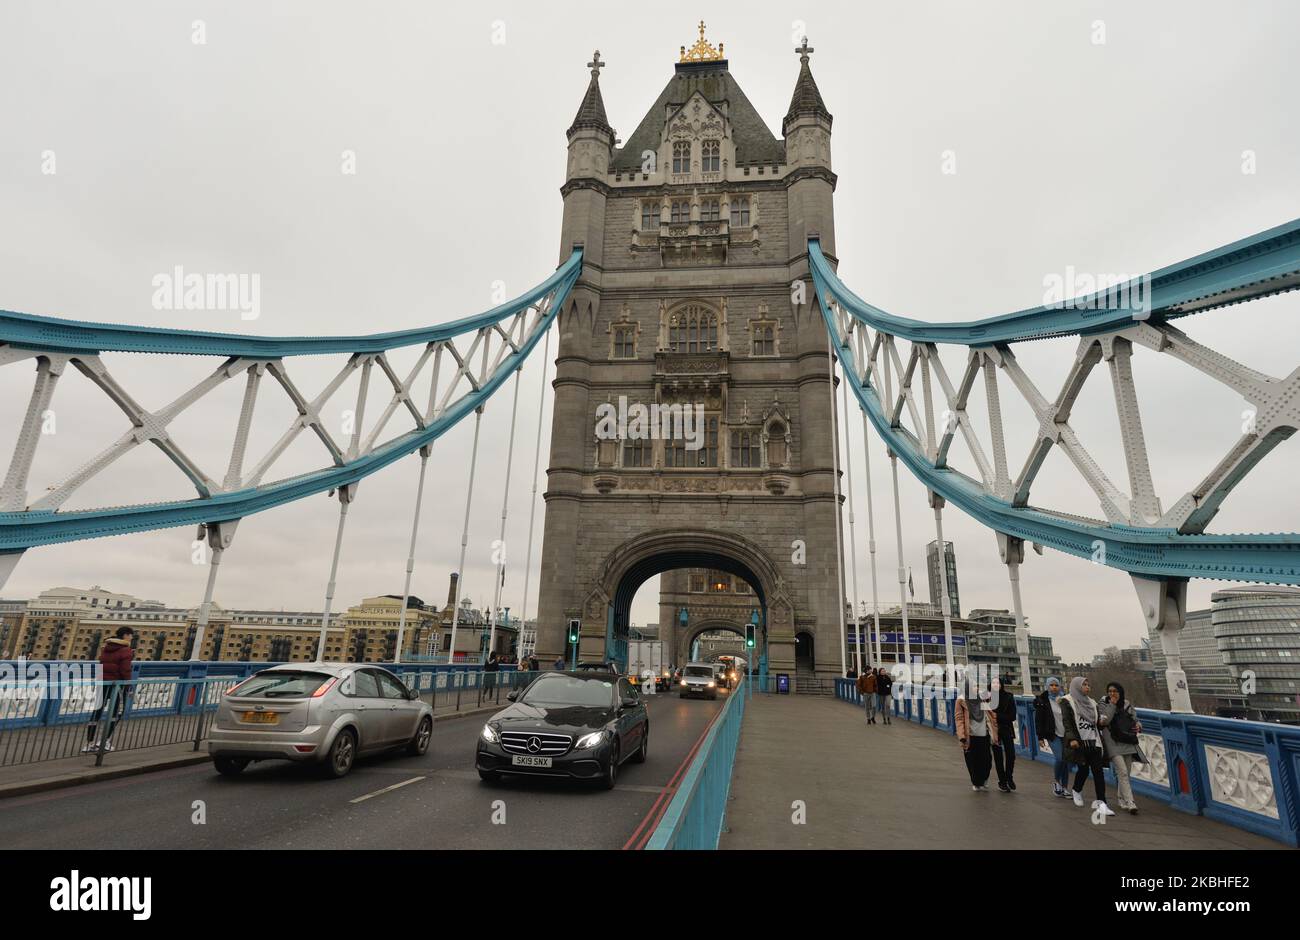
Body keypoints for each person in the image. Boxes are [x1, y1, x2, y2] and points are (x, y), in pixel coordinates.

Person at [1059, 676, 1115, 817]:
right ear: (1077, 686)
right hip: (1079, 741)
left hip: (1094, 741)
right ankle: (1077, 790)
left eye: (1088, 685)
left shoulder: (1092, 702)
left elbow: (1096, 723)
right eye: (1084, 685)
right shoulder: (1067, 701)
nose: (1087, 687)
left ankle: (1102, 804)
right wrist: (1072, 739)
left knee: (1098, 773)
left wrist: (1102, 721)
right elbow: (1067, 722)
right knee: (1083, 770)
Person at [84, 626, 134, 753]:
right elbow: (125, 670)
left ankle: (88, 743)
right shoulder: (126, 650)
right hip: (116, 685)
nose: (132, 638)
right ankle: (104, 741)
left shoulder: (106, 648)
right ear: (126, 636)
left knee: (97, 712)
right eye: (131, 635)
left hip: (103, 683)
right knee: (117, 713)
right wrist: (128, 686)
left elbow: (101, 665)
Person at [1099, 681, 1146, 815]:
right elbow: (1104, 721)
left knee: (1125, 773)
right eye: (1110, 691)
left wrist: (1139, 726)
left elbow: (1135, 719)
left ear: (1120, 692)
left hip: (1127, 740)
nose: (1112, 694)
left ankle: (1121, 799)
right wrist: (1112, 704)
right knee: (1123, 771)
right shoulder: (1103, 703)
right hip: (1112, 741)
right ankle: (1131, 802)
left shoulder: (1126, 703)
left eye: (1115, 691)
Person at [955, 675, 998, 790]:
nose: (977, 688)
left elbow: (990, 712)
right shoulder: (961, 700)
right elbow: (959, 718)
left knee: (987, 760)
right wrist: (961, 735)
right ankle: (976, 782)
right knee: (973, 761)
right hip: (970, 736)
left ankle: (984, 779)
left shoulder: (981, 699)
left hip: (984, 734)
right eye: (974, 686)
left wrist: (995, 724)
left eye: (977, 686)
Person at [1034, 676, 1070, 798]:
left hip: (1066, 733)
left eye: (1056, 685)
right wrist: (1040, 737)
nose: (1054, 687)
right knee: (1060, 758)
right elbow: (1039, 720)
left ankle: (1065, 787)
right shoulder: (1042, 700)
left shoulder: (1065, 699)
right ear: (1047, 687)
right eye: (1051, 685)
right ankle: (1057, 782)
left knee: (1066, 760)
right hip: (1052, 733)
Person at [990, 677, 1018, 792]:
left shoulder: (1009, 697)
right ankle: (1002, 781)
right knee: (998, 757)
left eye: (998, 683)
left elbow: (1013, 716)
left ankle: (1009, 777)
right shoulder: (987, 698)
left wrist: (997, 716)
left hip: (1006, 729)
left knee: (1011, 754)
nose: (996, 685)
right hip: (994, 730)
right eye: (994, 683)